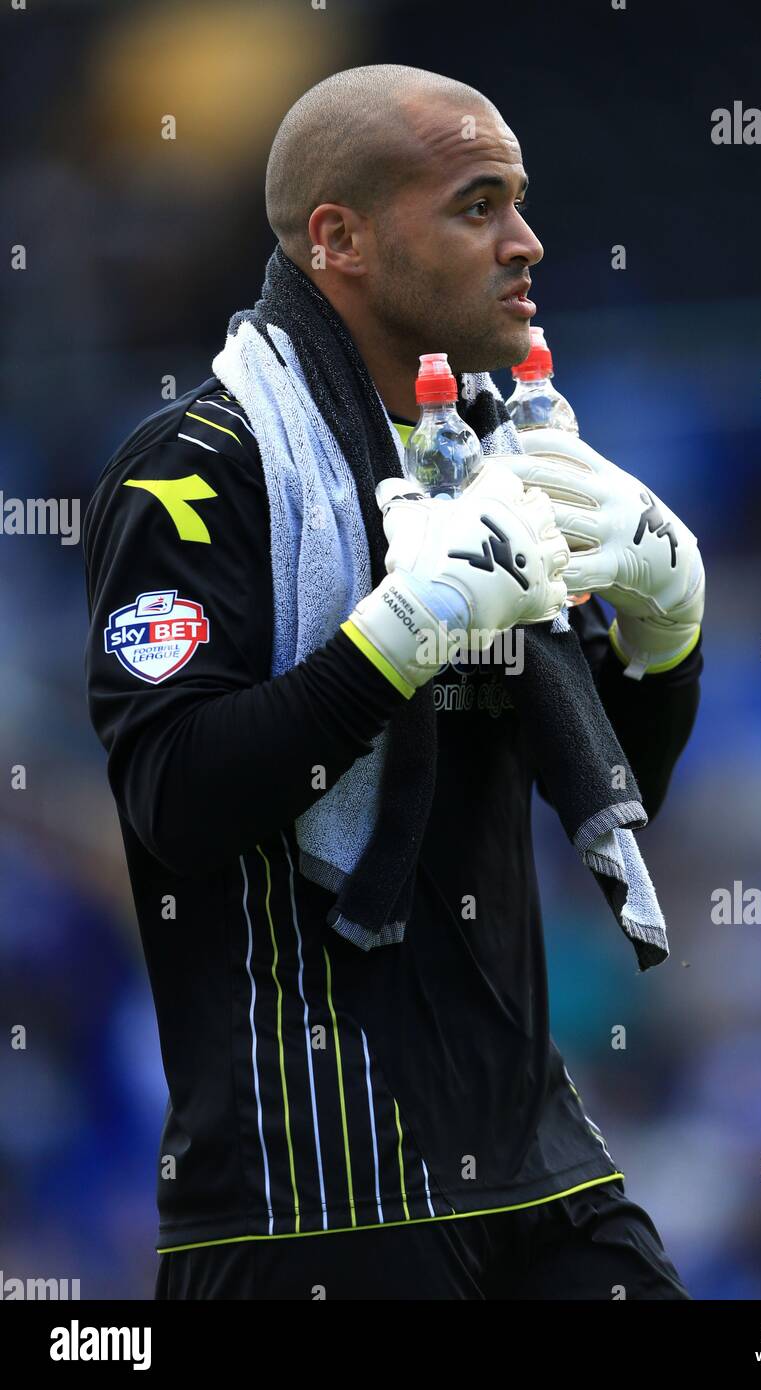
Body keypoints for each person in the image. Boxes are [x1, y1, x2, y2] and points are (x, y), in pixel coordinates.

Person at [82, 64, 703, 1300]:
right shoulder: (190, 477)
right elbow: (175, 801)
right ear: (340, 239)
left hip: (541, 1172)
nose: (525, 242)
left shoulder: (497, 454)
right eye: (478, 205)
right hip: (307, 1204)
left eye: (519, 202)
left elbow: (626, 781)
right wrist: (400, 637)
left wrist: (670, 623)